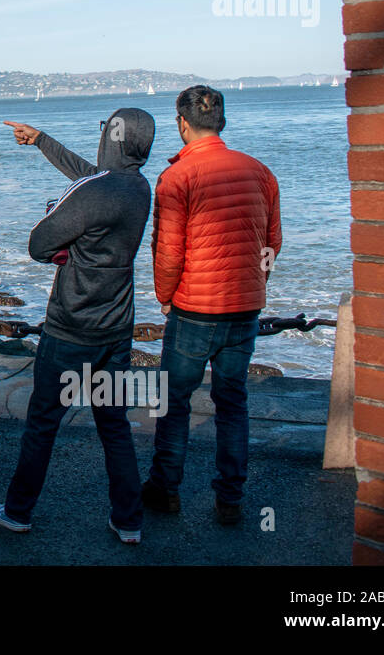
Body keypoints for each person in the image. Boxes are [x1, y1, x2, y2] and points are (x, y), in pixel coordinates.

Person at [0, 109, 155, 545]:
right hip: (116, 329)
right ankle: (129, 521)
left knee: (43, 423)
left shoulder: (94, 191)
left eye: (104, 131)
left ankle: (18, 512)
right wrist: (43, 140)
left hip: (71, 329)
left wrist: (67, 244)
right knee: (114, 425)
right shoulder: (137, 187)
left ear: (112, 139)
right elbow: (94, 178)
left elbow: (39, 244)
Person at [145, 85, 281, 526]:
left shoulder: (177, 177)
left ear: (182, 123)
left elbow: (169, 251)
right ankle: (230, 498)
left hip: (194, 309)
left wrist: (165, 297)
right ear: (220, 120)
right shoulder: (259, 171)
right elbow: (272, 242)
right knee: (232, 401)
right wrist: (253, 283)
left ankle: (165, 489)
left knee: (173, 400)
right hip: (244, 308)